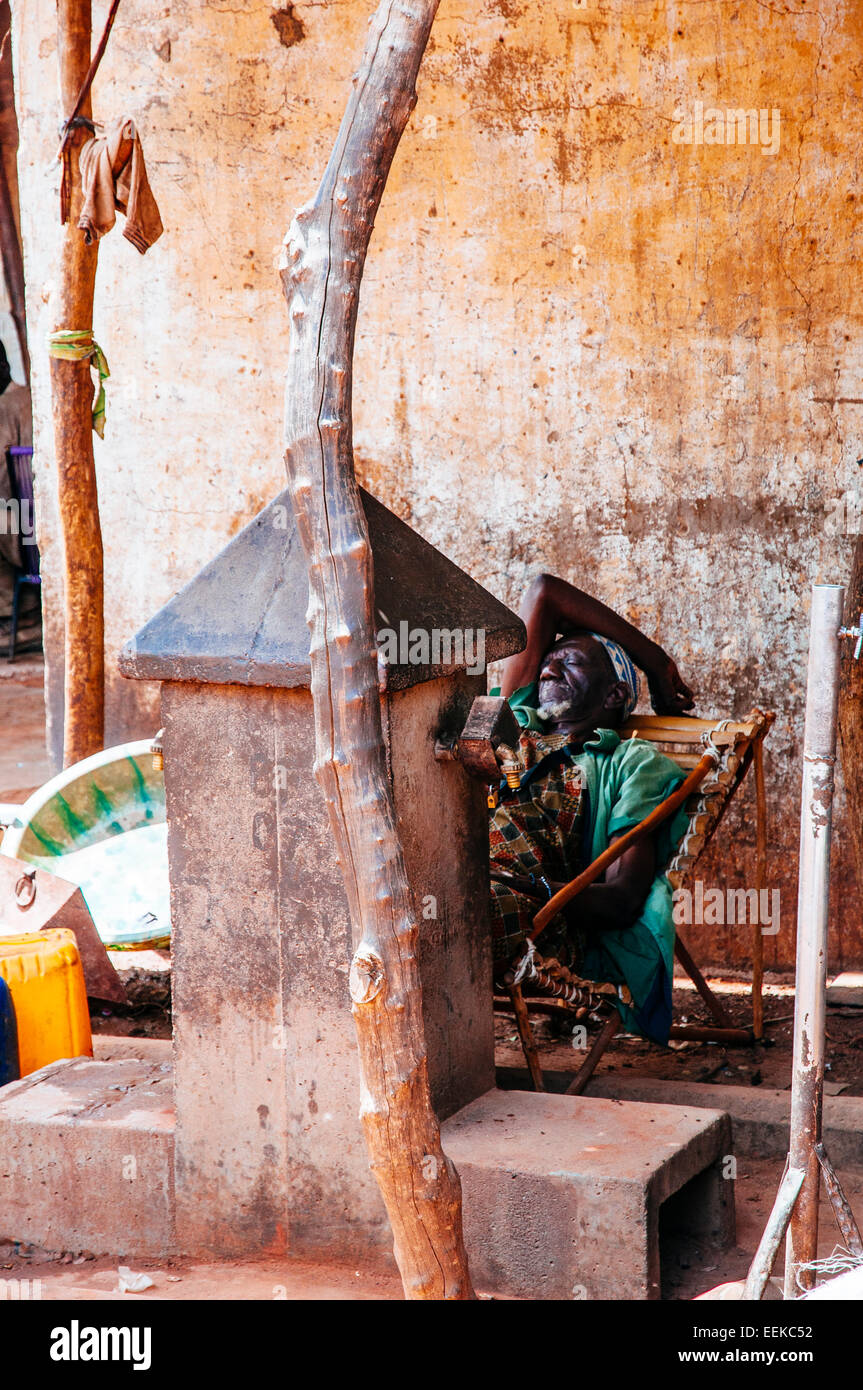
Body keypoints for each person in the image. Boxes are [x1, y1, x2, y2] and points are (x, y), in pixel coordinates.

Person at [489, 573, 695, 1043]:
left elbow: (622, 899)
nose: (547, 667)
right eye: (549, 658)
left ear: (614, 696)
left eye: (571, 661)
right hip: (457, 873)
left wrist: (535, 890)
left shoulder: (633, 764)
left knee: (451, 908)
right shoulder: (515, 720)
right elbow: (542, 592)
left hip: (536, 917)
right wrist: (656, 661)